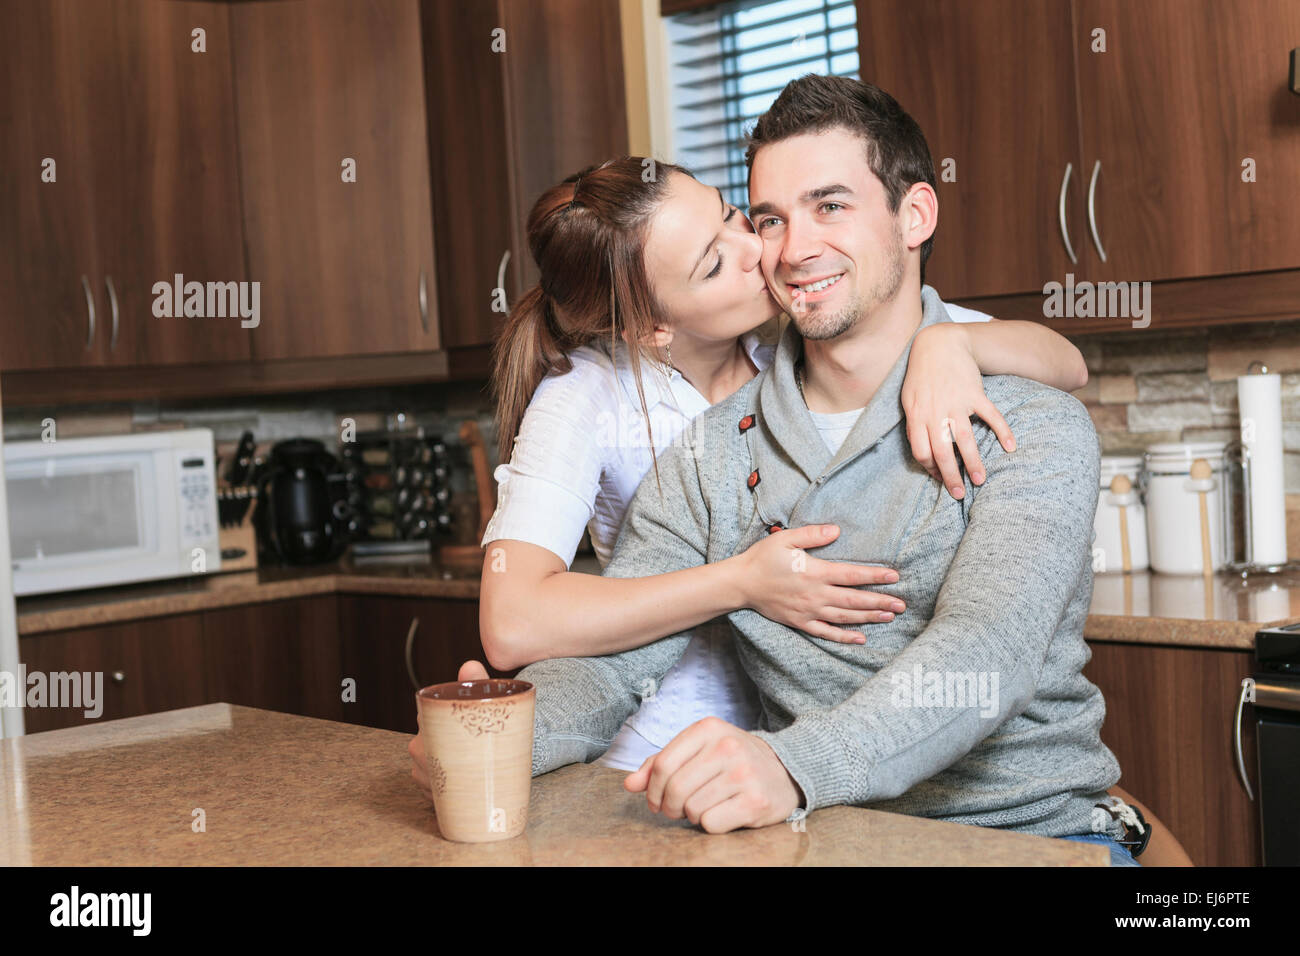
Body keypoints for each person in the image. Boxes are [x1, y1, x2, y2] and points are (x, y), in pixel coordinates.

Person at [413, 74, 1139, 865]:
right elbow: (611, 670)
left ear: (915, 215)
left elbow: (982, 658)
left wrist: (791, 767)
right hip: (815, 840)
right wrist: (505, 732)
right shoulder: (711, 452)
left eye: (831, 206)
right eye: (769, 218)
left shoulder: (1028, 421)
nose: (792, 250)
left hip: (1025, 838)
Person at [474, 156, 1086, 773]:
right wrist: (743, 582)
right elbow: (514, 622)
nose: (758, 249)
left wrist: (951, 341)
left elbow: (1065, 364)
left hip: (798, 753)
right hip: (664, 745)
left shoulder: (804, 337)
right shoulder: (600, 402)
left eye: (736, 216)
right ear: (654, 328)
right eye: (713, 264)